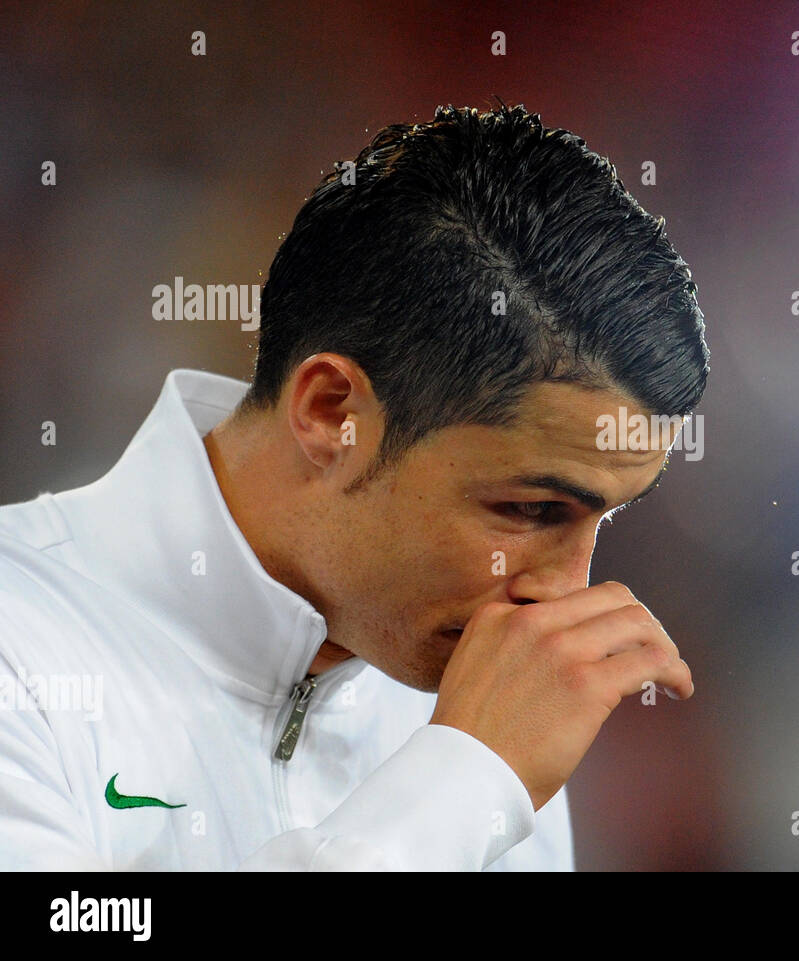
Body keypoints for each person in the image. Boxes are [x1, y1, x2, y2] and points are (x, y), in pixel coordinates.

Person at [0, 102, 708, 870]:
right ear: (331, 412)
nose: (564, 595)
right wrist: (456, 791)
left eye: (604, 517)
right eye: (531, 509)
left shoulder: (488, 717)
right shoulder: (23, 653)